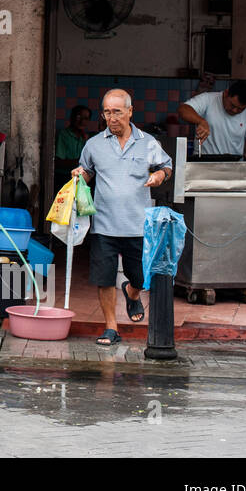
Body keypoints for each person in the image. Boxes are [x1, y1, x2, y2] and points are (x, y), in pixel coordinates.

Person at [72, 88, 173, 347]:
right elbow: (87, 172)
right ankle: (111, 327)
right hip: (104, 224)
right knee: (104, 278)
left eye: (117, 112)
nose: (112, 118)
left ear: (130, 111)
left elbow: (166, 166)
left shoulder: (148, 142)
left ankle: (132, 292)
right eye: (107, 112)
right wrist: (79, 176)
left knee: (140, 276)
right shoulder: (94, 144)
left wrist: (159, 176)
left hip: (137, 225)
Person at [177, 80, 246, 159]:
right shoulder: (208, 99)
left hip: (234, 165)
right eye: (232, 105)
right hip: (204, 162)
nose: (235, 111)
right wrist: (200, 121)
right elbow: (183, 109)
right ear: (226, 93)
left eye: (241, 109)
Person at [54, 105, 93, 190]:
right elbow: (58, 162)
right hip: (64, 177)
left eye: (86, 118)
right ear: (72, 117)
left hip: (80, 178)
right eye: (79, 116)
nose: (82, 121)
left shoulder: (86, 137)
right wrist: (82, 163)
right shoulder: (63, 135)